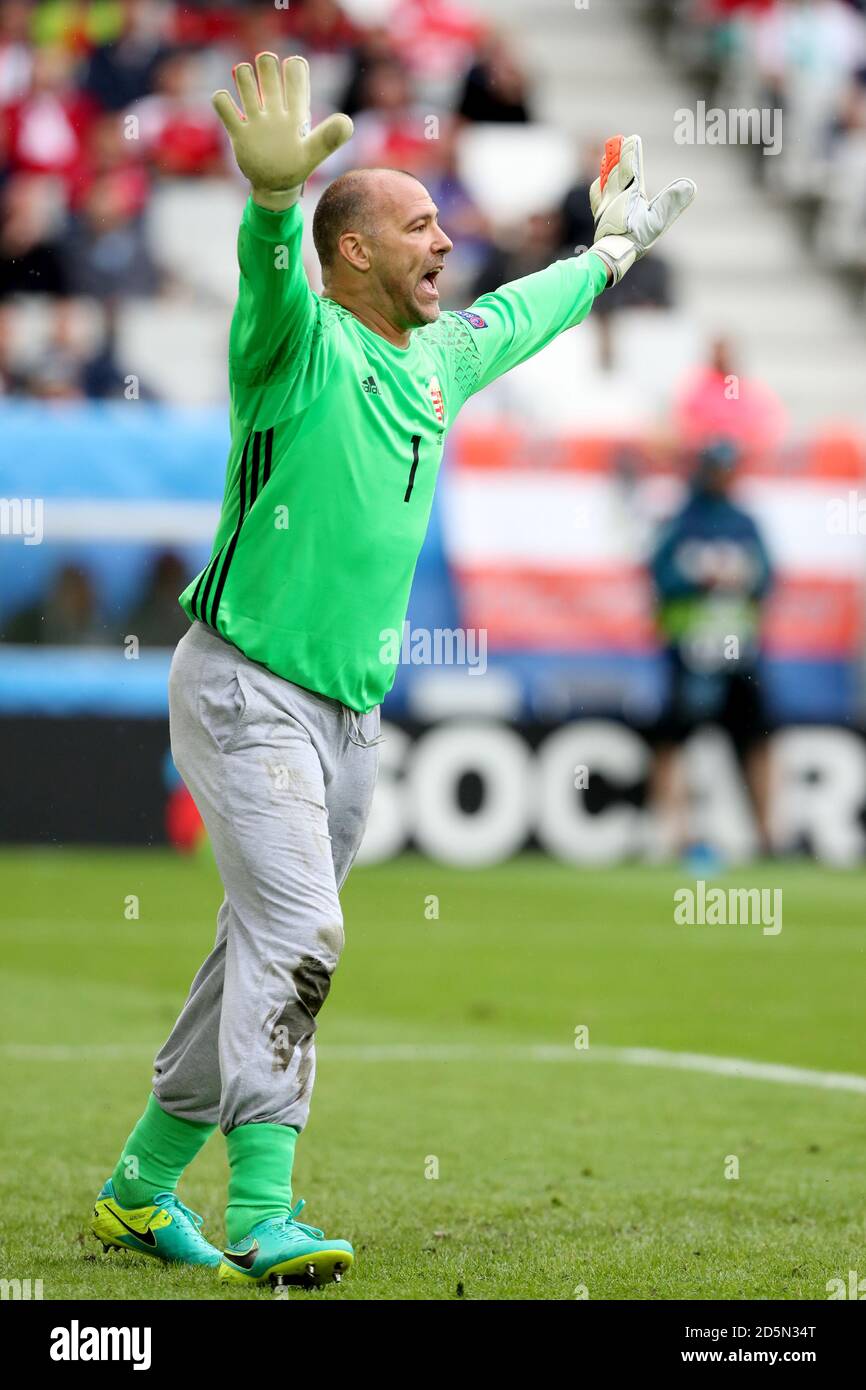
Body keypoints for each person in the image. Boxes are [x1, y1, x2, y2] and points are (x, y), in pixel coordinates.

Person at [90, 58, 696, 1288]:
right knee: (304, 928)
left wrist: (611, 253)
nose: (444, 239)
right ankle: (266, 1210)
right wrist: (268, 207)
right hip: (245, 683)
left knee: (252, 949)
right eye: (417, 223)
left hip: (347, 721)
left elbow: (527, 311)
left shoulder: (439, 359)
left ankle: (141, 1191)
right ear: (352, 253)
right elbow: (269, 283)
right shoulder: (295, 345)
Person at [648, 439, 775, 859]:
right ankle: (675, 834)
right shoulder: (682, 522)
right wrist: (698, 581)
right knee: (675, 740)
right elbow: (659, 578)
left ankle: (767, 836)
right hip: (690, 649)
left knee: (755, 740)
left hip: (737, 652)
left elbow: (769, 578)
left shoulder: (744, 523)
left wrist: (742, 580)